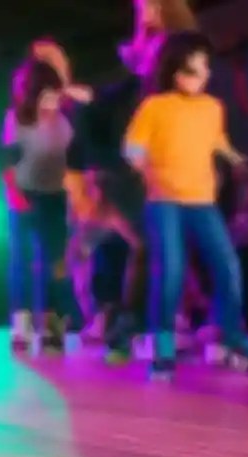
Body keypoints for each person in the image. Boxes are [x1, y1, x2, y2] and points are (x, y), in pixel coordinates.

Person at [123, 31, 248, 380]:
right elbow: (132, 147)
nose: (203, 75)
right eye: (194, 69)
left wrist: (244, 166)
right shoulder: (155, 107)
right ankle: (163, 342)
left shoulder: (212, 108)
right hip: (165, 202)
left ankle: (232, 334)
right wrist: (146, 173)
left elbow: (219, 142)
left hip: (202, 201)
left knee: (227, 265)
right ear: (175, 72)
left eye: (205, 68)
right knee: (170, 270)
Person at [73, 0, 198, 360]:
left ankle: (155, 318)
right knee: (143, 240)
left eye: (148, 7)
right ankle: (132, 318)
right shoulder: (141, 56)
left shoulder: (180, 49)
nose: (142, 13)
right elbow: (127, 91)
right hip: (130, 160)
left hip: (167, 157)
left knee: (158, 241)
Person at [3, 60, 76, 352]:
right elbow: (7, 161)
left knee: (54, 262)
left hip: (55, 196)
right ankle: (21, 324)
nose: (51, 104)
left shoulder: (64, 122)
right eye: (46, 97)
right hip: (23, 193)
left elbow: (73, 161)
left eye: (56, 97)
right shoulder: (17, 119)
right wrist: (13, 194)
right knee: (21, 259)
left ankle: (52, 325)